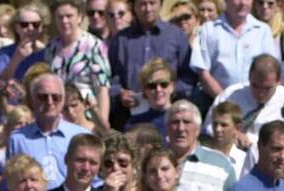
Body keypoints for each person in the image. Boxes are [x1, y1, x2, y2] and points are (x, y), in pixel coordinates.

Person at [109, 0, 194, 133]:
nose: (147, 8)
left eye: (152, 3)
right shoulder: (121, 40)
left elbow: (189, 75)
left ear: (160, 4)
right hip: (132, 118)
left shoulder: (176, 36)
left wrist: (169, 90)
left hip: (169, 118)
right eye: (142, 4)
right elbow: (111, 77)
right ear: (134, 7)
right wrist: (120, 93)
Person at [192, 0, 282, 105]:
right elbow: (203, 72)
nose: (243, 3)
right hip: (218, 105)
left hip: (255, 105)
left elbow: (272, 70)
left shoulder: (263, 31)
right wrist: (225, 100)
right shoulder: (205, 31)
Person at [45, 0, 112, 128]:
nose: (64, 21)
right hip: (59, 119)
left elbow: (102, 89)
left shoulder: (94, 45)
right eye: (60, 17)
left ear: (80, 17)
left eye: (69, 16)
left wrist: (102, 125)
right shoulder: (51, 47)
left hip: (87, 119)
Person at [204, 54, 284, 146]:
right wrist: (231, 133)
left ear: (278, 82)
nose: (260, 93)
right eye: (255, 86)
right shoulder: (231, 95)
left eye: (267, 88)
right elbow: (208, 127)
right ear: (249, 77)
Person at [0, 2, 48, 117]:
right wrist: (16, 59)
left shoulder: (47, 53)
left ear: (41, 27)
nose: (30, 29)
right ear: (16, 27)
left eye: (35, 24)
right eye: (24, 25)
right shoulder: (5, 52)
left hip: (38, 114)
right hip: (10, 116)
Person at [127, 58, 177, 134]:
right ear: (144, 90)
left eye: (164, 84)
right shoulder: (135, 124)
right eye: (152, 86)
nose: (158, 89)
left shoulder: (184, 119)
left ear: (172, 86)